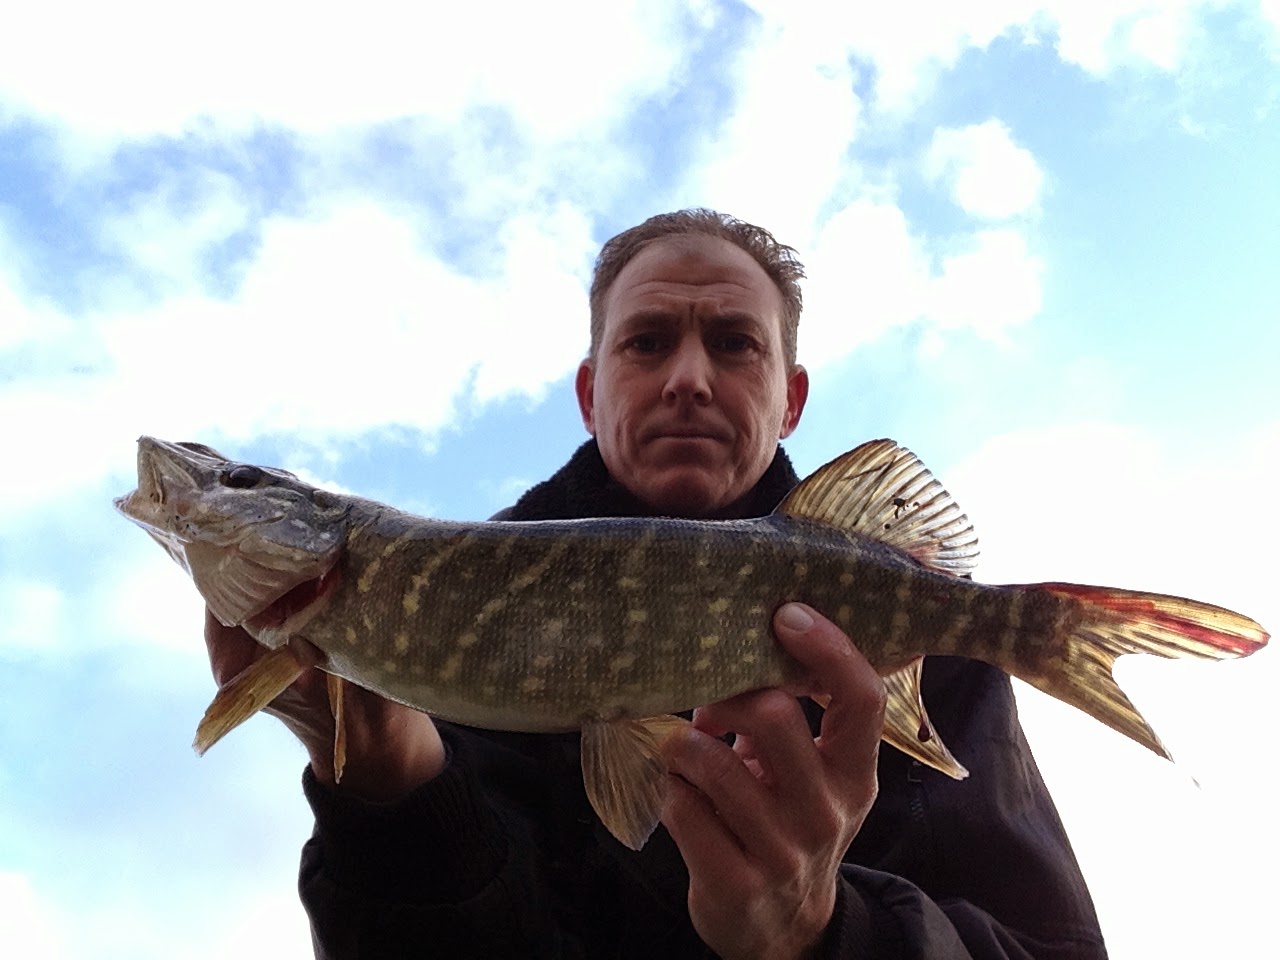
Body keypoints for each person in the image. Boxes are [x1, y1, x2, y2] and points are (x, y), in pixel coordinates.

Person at [206, 209, 1107, 959]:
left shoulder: (912, 637)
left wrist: (828, 932)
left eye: (732, 344)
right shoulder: (453, 625)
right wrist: (394, 797)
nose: (687, 379)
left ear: (789, 399)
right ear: (591, 393)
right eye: (646, 343)